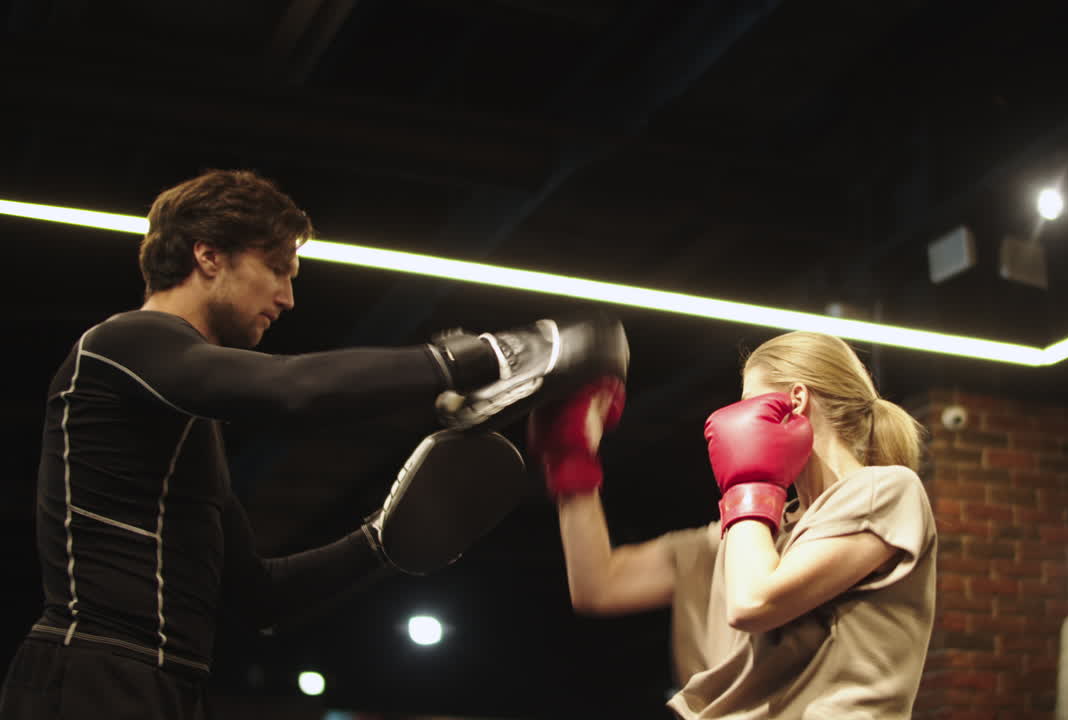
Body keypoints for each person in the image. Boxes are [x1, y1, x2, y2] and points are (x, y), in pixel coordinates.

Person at [0, 168, 628, 719]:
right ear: (209, 255)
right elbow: (292, 390)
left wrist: (382, 544)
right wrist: (492, 355)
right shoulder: (119, 346)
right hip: (91, 667)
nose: (289, 296)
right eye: (276, 269)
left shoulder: (189, 421)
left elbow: (257, 597)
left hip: (168, 682)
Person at [528, 330, 936, 719]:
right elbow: (599, 585)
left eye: (749, 403)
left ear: (796, 401)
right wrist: (572, 463)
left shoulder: (884, 491)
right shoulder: (750, 537)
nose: (738, 419)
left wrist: (750, 484)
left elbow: (754, 602)